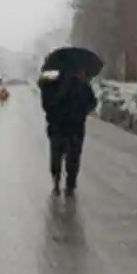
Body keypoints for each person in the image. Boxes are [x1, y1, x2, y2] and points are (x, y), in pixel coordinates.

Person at [39, 68, 98, 197]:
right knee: (73, 156)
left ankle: (58, 182)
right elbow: (92, 102)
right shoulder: (82, 84)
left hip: (58, 126)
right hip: (74, 126)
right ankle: (69, 184)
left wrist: (52, 113)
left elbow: (45, 102)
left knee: (57, 155)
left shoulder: (53, 84)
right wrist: (81, 112)